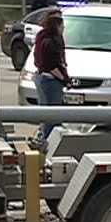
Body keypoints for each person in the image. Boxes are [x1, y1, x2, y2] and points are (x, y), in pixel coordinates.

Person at [33, 10, 68, 142]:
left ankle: (44, 138)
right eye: (61, 24)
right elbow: (50, 64)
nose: (63, 27)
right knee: (52, 116)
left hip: (44, 78)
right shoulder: (49, 41)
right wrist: (64, 79)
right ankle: (48, 142)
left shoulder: (45, 37)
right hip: (50, 80)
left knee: (47, 114)